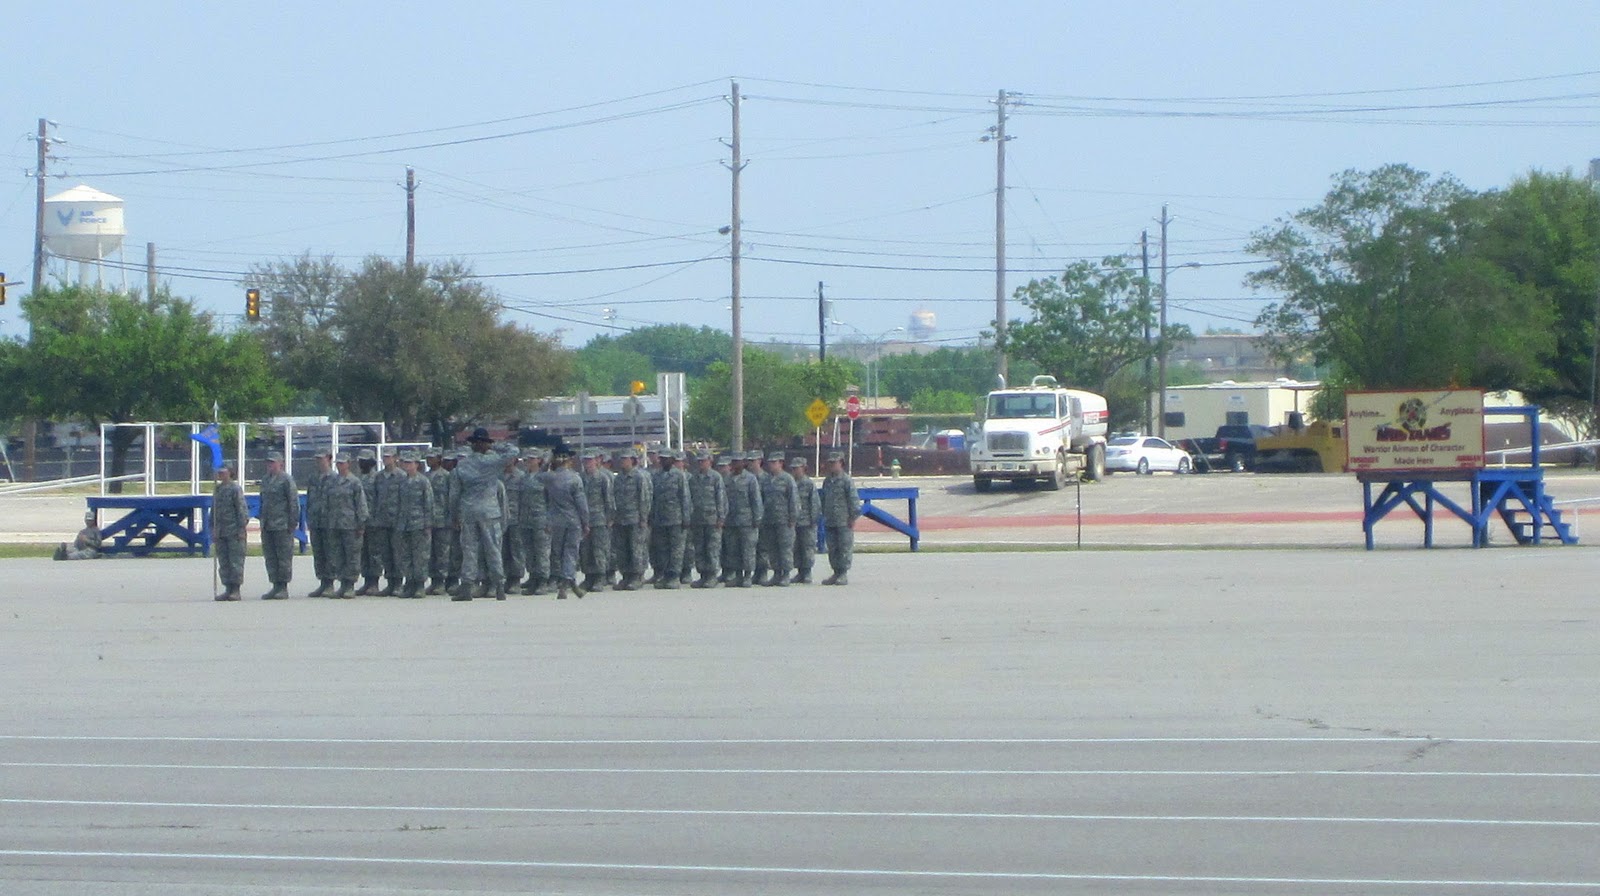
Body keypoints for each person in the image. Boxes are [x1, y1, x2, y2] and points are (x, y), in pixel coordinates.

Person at [452, 428, 517, 601]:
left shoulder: (463, 464)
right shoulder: (493, 461)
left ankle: (467, 586)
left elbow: (454, 494)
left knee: (469, 549)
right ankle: (499, 587)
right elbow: (514, 451)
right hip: (489, 510)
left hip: (469, 510)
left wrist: (454, 515)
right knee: (493, 548)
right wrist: (494, 447)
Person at [544, 451, 590, 599]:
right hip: (572, 520)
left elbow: (538, 477)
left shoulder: (550, 478)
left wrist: (546, 463)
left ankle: (567, 583)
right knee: (570, 552)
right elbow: (581, 504)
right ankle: (566, 584)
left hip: (556, 521)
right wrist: (586, 523)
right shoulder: (575, 478)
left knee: (557, 553)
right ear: (569, 461)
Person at [325, 452, 369, 597]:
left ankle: (350, 584)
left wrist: (361, 524)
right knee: (338, 555)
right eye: (338, 463)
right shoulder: (332, 481)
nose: (340, 466)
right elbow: (327, 503)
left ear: (348, 464)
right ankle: (342, 584)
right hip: (335, 524)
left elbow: (361, 504)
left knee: (352, 555)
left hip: (351, 525)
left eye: (342, 463)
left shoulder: (354, 482)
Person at [394, 451, 435, 598]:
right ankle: (409, 583)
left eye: (410, 463)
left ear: (417, 464)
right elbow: (398, 503)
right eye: (405, 463)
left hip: (419, 523)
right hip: (403, 524)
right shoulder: (402, 481)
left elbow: (429, 503)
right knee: (405, 555)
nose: (407, 465)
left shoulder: (423, 481)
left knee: (420, 556)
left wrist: (428, 524)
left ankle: (419, 584)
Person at [258, 451, 298, 600]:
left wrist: (292, 522)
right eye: (268, 462)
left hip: (282, 524)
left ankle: (283, 586)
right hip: (268, 524)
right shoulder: (266, 480)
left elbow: (293, 502)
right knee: (271, 557)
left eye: (273, 462)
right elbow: (263, 501)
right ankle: (275, 584)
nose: (270, 465)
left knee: (283, 557)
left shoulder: (286, 480)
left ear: (281, 463)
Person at [609, 448, 652, 591]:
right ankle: (626, 576)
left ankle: (637, 576)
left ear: (633, 460)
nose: (623, 462)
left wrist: (644, 518)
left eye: (626, 459)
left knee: (636, 548)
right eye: (621, 459)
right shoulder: (618, 478)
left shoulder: (639, 477)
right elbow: (613, 498)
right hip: (620, 519)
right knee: (622, 549)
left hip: (635, 518)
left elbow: (644, 498)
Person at [756, 450, 798, 587]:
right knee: (772, 549)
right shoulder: (766, 480)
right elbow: (761, 499)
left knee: (785, 548)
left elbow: (794, 500)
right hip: (769, 519)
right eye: (770, 463)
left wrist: (793, 518)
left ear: (781, 463)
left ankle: (785, 574)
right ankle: (776, 573)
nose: (771, 465)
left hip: (784, 520)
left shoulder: (787, 479)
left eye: (774, 463)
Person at [819, 452, 861, 585]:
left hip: (844, 520)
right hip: (830, 520)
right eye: (830, 463)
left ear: (841, 463)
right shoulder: (827, 481)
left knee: (844, 548)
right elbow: (823, 499)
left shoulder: (846, 480)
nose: (831, 465)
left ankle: (843, 573)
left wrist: (853, 517)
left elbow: (854, 501)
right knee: (832, 549)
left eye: (834, 462)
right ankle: (836, 572)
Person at [687, 450, 727, 587]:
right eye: (699, 461)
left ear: (710, 461)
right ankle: (703, 575)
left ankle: (712, 575)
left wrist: (721, 517)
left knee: (712, 548)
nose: (701, 463)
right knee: (700, 549)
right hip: (697, 519)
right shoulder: (694, 478)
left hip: (712, 520)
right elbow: (689, 499)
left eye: (703, 461)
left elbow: (721, 499)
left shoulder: (716, 477)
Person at [724, 451, 762, 587]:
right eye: (733, 462)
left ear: (743, 463)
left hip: (747, 521)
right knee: (733, 550)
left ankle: (747, 576)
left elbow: (756, 500)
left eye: (738, 462)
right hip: (731, 521)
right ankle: (738, 575)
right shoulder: (727, 479)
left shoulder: (750, 479)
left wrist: (757, 518)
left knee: (748, 549)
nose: (735, 464)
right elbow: (723, 501)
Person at [579, 449, 615, 592]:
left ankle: (600, 576)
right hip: (584, 520)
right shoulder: (580, 478)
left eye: (590, 460)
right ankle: (589, 577)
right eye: (585, 460)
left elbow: (609, 500)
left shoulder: (602, 478)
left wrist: (610, 518)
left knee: (599, 549)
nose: (587, 463)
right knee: (585, 550)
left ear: (597, 461)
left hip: (600, 519)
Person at [211, 463, 249, 601]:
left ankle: (235, 589)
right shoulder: (218, 489)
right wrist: (213, 528)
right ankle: (227, 587)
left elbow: (242, 511)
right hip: (221, 530)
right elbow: (214, 510)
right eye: (219, 472)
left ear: (230, 472)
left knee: (235, 561)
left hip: (233, 530)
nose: (220, 475)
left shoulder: (235, 489)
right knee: (224, 561)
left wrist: (241, 529)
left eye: (223, 472)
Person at [517, 449, 552, 595]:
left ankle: (543, 580)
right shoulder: (524, 478)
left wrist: (550, 521)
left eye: (532, 459)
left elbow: (551, 501)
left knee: (541, 551)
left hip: (540, 519)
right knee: (529, 551)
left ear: (539, 460)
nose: (529, 462)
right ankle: (533, 577)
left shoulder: (545, 478)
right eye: (527, 460)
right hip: (525, 520)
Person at [424, 449, 455, 595]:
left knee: (443, 552)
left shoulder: (447, 476)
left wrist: (453, 517)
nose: (429, 460)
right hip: (429, 520)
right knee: (430, 553)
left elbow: (452, 498)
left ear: (439, 459)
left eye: (432, 458)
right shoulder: (425, 476)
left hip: (443, 520)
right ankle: (434, 580)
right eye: (428, 458)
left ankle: (443, 581)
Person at [306, 451, 336, 596]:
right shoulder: (313, 478)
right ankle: (323, 582)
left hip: (329, 521)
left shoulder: (334, 478)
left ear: (329, 459)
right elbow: (310, 498)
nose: (319, 462)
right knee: (318, 553)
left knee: (330, 552)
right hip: (316, 520)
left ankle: (330, 582)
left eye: (321, 459)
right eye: (317, 459)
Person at [790, 456, 819, 584]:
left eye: (797, 468)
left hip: (807, 521)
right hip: (794, 522)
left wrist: (813, 520)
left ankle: (807, 573)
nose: (795, 471)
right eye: (793, 468)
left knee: (807, 547)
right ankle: (800, 572)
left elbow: (815, 503)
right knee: (796, 548)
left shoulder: (808, 484)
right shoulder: (791, 483)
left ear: (804, 468)